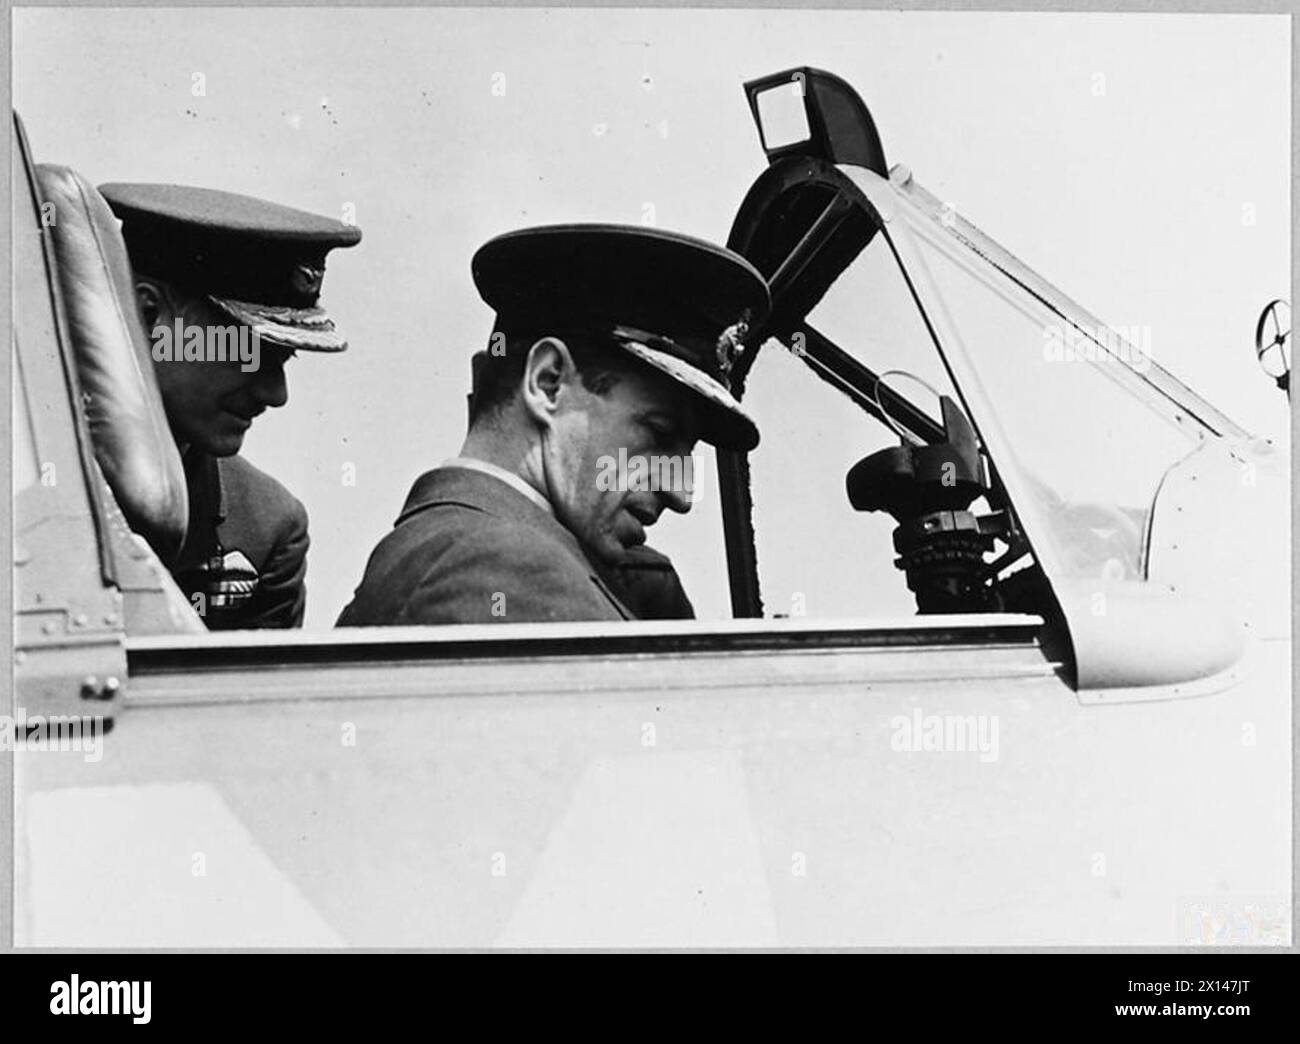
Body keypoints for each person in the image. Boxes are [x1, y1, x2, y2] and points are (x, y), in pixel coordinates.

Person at [336, 223, 768, 626]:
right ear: (548, 383)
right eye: (658, 434)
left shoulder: (452, 546)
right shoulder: (501, 567)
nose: (681, 493)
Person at [100, 182, 361, 629]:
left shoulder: (267, 531)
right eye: (249, 352)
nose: (276, 394)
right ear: (147, 314)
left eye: (283, 359)